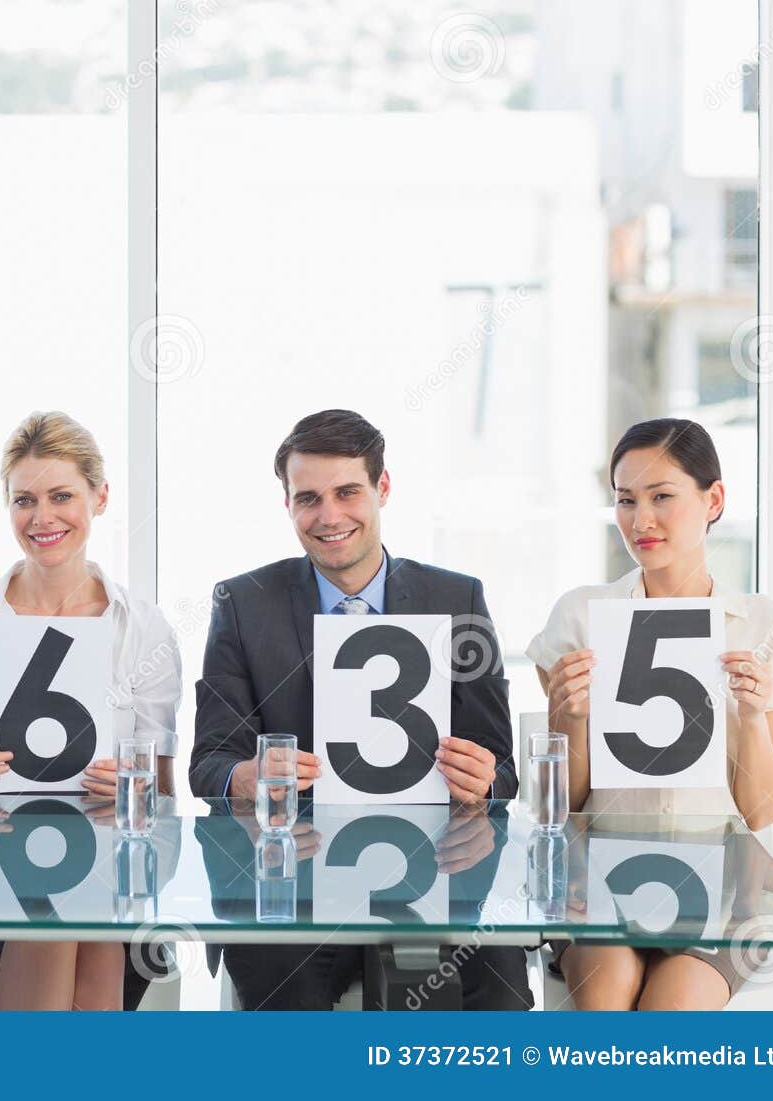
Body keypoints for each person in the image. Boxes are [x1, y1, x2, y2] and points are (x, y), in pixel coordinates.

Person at [188, 408, 528, 1010]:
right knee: (278, 992)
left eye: (348, 492)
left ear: (383, 489)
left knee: (495, 984)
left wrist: (484, 781)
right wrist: (243, 776)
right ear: (288, 505)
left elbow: (502, 767)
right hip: (295, 882)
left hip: (434, 869)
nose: (329, 516)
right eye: (308, 499)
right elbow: (209, 762)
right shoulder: (243, 603)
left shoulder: (457, 598)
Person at [528, 418, 773, 1010]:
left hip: (723, 887)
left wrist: (754, 717)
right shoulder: (581, 616)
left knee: (670, 1015)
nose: (641, 520)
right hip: (599, 877)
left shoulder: (761, 626)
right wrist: (571, 719)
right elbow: (560, 805)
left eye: (662, 497)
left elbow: (759, 813)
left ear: (714, 500)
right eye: (625, 500)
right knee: (607, 997)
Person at [0, 411, 181, 1010]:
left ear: (100, 497)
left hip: (107, 864)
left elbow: (164, 802)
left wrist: (131, 788)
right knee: (65, 914)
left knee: (80, 906)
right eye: (24, 500)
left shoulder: (142, 628)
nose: (42, 518)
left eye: (62, 496)